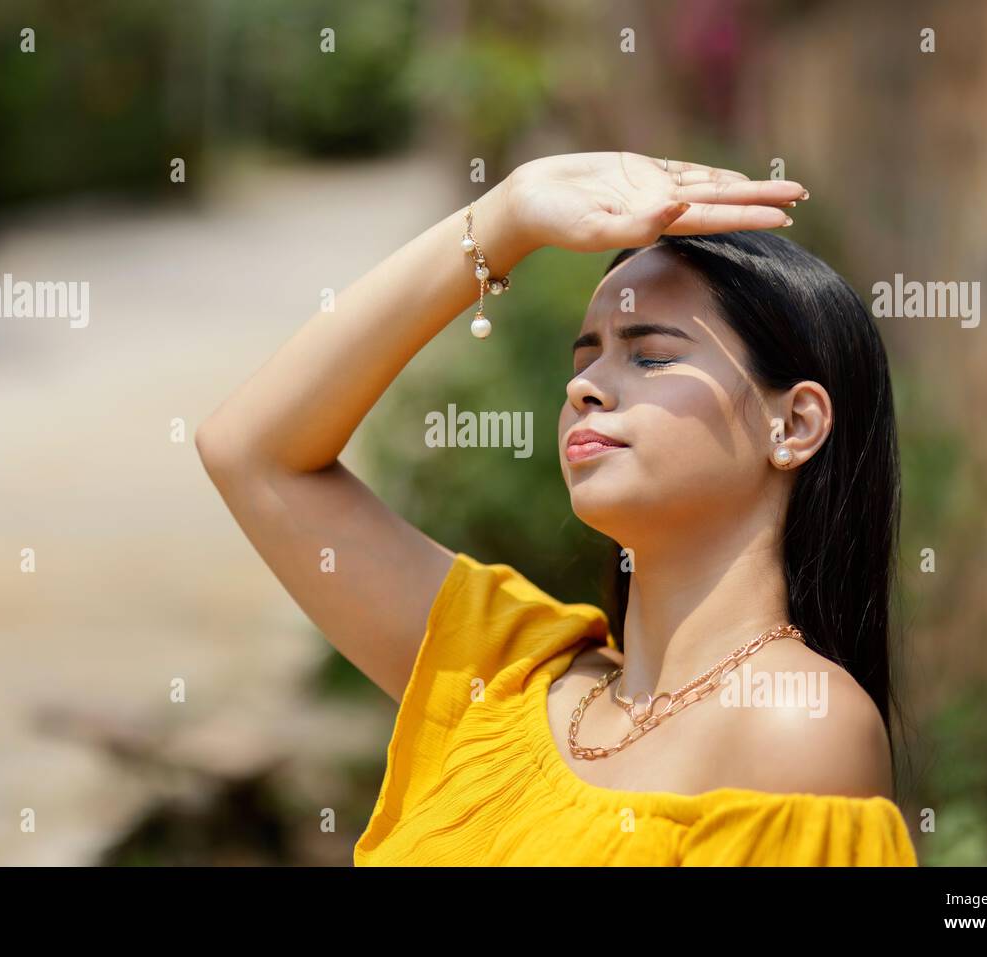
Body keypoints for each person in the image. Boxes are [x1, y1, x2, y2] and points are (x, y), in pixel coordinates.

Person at [195, 152, 918, 866]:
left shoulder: (796, 725)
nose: (586, 390)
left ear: (792, 425)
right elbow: (249, 451)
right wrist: (506, 216)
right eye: (584, 362)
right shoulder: (505, 672)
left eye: (652, 356)